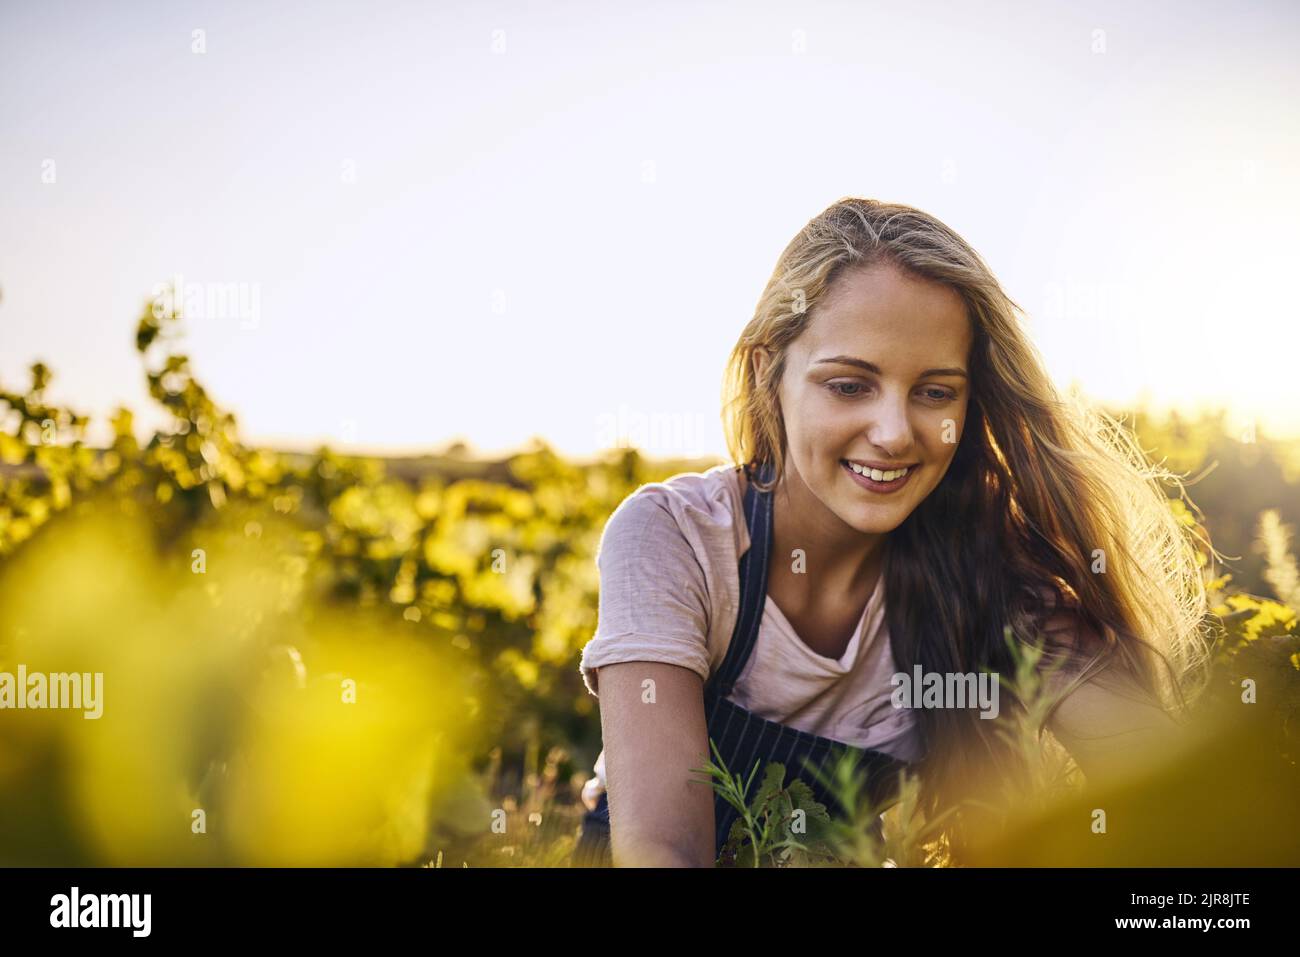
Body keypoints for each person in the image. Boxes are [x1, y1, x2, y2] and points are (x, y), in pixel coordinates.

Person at [573, 197, 1213, 868]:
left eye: (935, 392)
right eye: (850, 385)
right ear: (770, 371)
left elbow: (1178, 800)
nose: (894, 432)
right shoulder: (673, 539)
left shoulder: (996, 579)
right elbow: (661, 849)